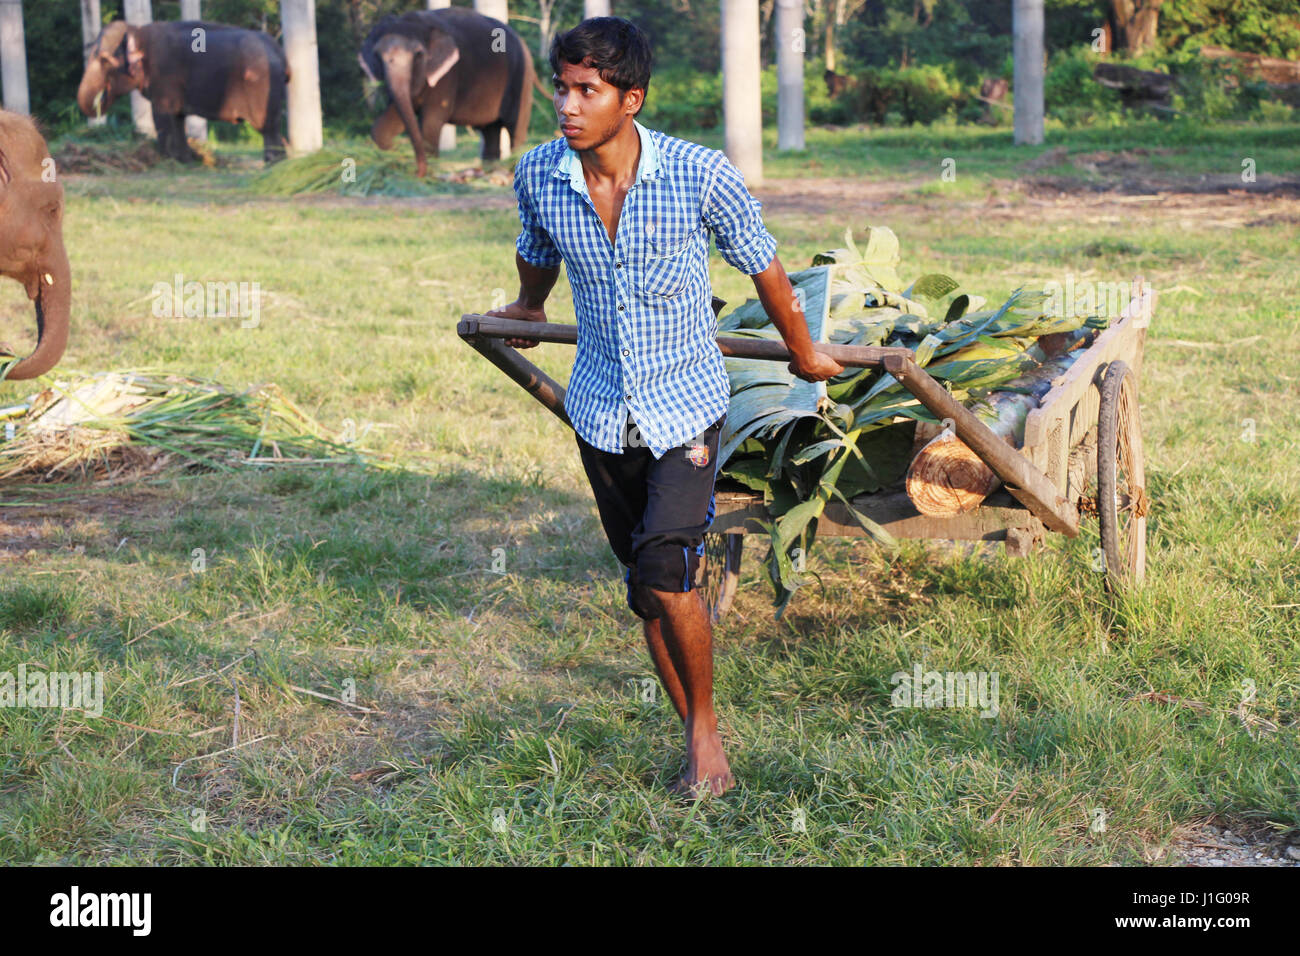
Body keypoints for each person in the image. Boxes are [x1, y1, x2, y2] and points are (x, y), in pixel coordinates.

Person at [487, 17, 842, 797]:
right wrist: (526, 305)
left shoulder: (697, 174)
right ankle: (689, 730)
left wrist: (806, 352)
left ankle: (708, 733)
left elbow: (763, 263)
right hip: (601, 410)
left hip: (685, 406)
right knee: (643, 584)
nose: (568, 105)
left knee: (669, 571)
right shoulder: (541, 174)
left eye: (589, 91)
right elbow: (536, 248)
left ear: (630, 99)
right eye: (563, 87)